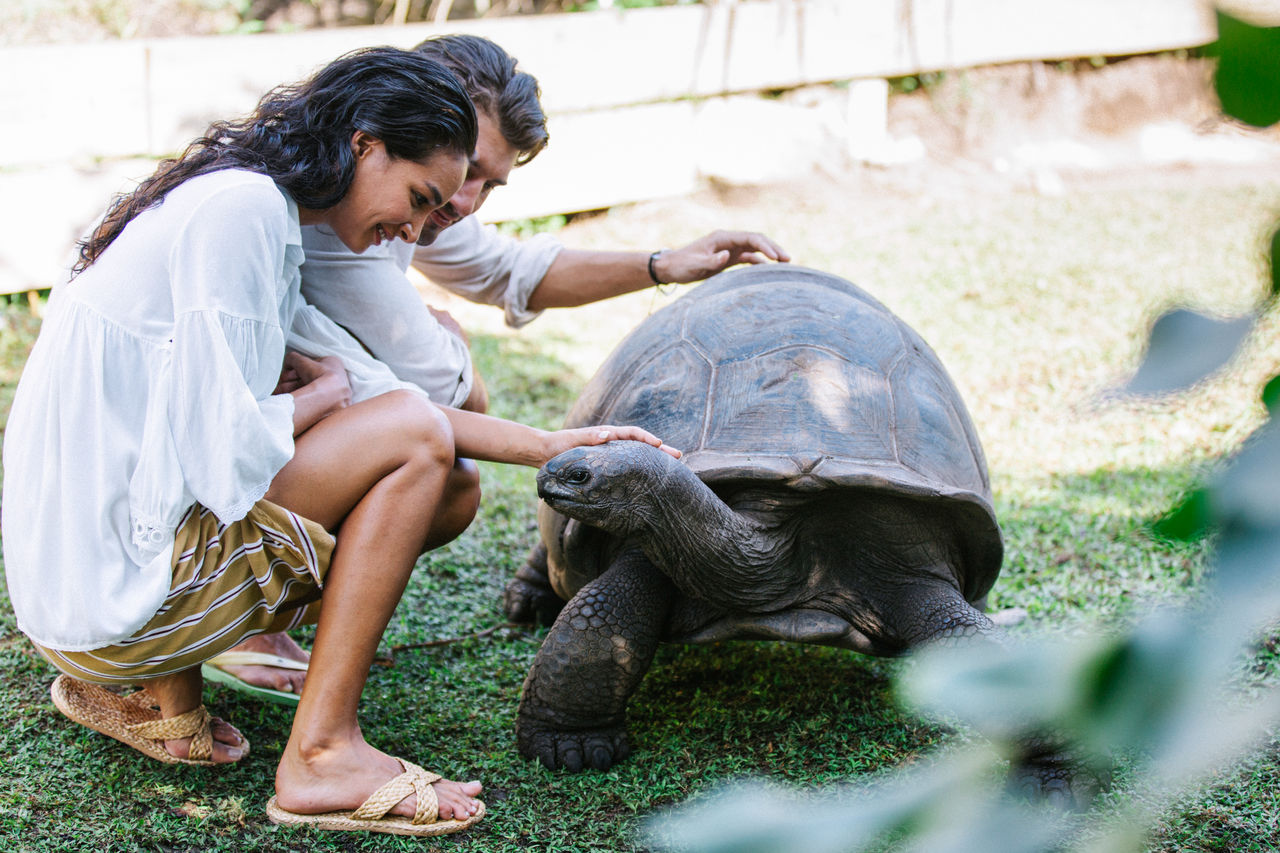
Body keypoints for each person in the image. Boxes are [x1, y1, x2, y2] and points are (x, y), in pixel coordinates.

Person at [1, 46, 676, 839]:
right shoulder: (243, 213)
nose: (419, 229)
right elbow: (227, 451)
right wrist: (318, 397)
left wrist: (553, 444)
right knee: (417, 442)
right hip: (107, 600)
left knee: (417, 436)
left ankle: (158, 692)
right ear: (363, 143)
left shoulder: (249, 206)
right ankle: (320, 752)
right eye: (421, 199)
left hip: (80, 599)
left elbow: (372, 395)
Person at [216, 33, 789, 699]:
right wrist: (458, 350)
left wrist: (664, 264)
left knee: (451, 474)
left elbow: (502, 267)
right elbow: (443, 391)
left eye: (490, 182)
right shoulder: (336, 220)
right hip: (219, 466)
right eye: (470, 171)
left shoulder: (410, 194)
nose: (468, 202)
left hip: (271, 435)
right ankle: (240, 623)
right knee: (434, 456)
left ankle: (261, 618)